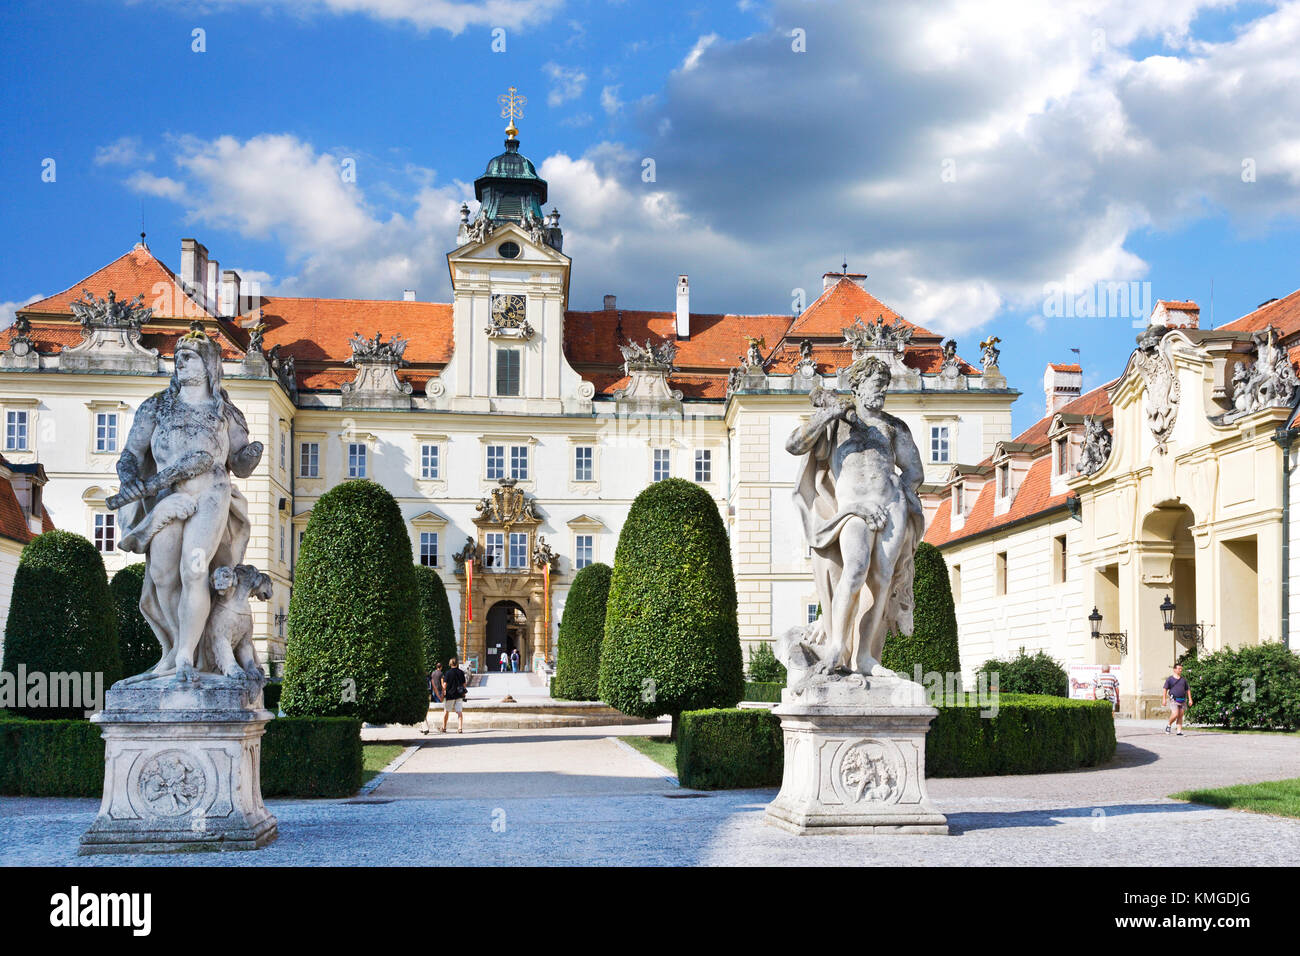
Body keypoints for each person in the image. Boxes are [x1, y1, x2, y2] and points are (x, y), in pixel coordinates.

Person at [783, 357, 925, 677]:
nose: (883, 391)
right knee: (856, 570)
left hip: (891, 508)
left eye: (886, 386)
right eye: (878, 385)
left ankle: (865, 658)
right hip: (853, 510)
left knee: (882, 581)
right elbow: (793, 445)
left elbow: (914, 471)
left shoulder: (893, 426)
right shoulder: (838, 423)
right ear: (858, 386)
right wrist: (826, 415)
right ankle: (837, 646)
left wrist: (898, 494)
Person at [1163, 663, 1192, 736]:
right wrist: (1164, 699)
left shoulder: (1183, 680)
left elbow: (1187, 689)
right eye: (1179, 669)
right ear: (1174, 669)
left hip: (1183, 700)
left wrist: (1190, 699)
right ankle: (1169, 725)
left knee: (1180, 715)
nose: (1180, 670)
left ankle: (1179, 731)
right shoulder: (1170, 679)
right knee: (1175, 714)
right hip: (1174, 700)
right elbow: (1165, 689)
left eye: (1181, 669)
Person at [441, 656, 467, 734]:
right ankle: (460, 728)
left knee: (446, 711)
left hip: (450, 695)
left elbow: (445, 685)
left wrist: (442, 687)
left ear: (450, 663)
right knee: (459, 712)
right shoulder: (461, 672)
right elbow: (464, 684)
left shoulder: (448, 673)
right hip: (459, 694)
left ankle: (444, 727)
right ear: (457, 663)